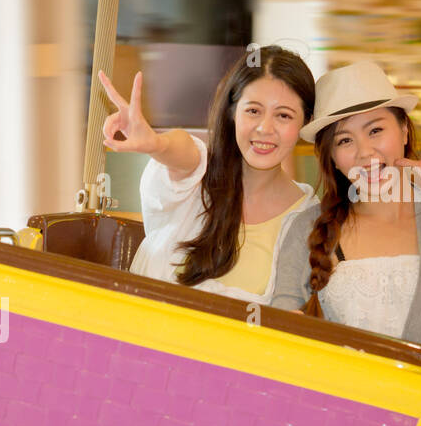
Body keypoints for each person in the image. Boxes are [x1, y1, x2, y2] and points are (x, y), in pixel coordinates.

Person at [270, 61, 421, 343]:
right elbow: (280, 324)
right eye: (344, 141)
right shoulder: (308, 226)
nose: (365, 152)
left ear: (404, 130)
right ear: (332, 159)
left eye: (375, 131)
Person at [99, 45, 317, 303]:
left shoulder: (308, 219)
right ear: (233, 112)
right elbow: (185, 151)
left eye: (283, 115)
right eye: (253, 111)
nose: (265, 128)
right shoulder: (199, 177)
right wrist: (156, 145)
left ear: (305, 123)